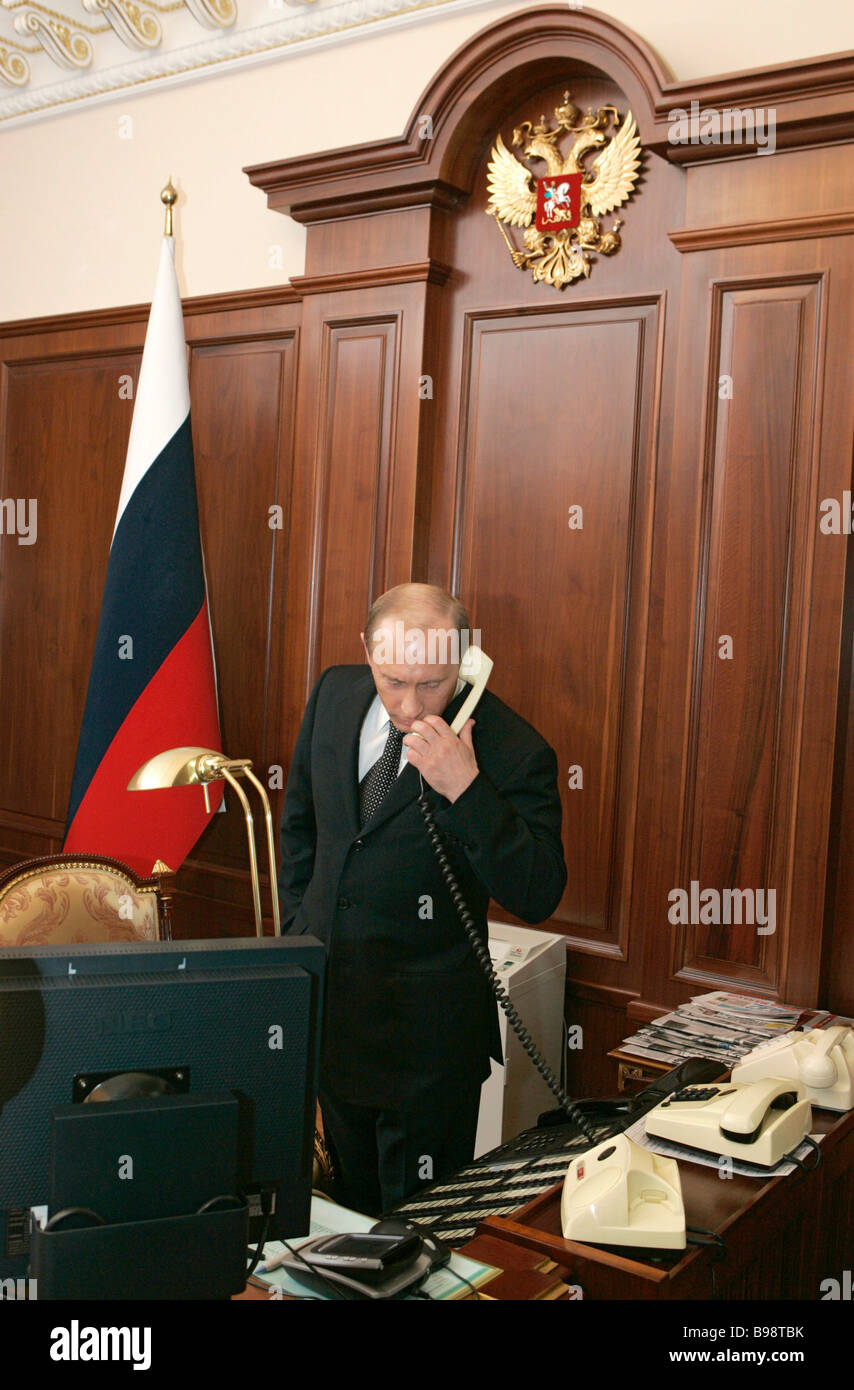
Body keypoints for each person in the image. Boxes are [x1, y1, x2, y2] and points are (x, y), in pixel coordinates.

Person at [278, 583, 566, 1216]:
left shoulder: (515, 750)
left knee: (421, 1236)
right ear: (368, 653)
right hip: (335, 1025)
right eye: (393, 680)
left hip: (427, 1053)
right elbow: (300, 825)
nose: (409, 706)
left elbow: (540, 890)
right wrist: (301, 932)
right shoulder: (333, 693)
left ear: (465, 661)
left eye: (432, 684)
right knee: (348, 1223)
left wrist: (467, 789)